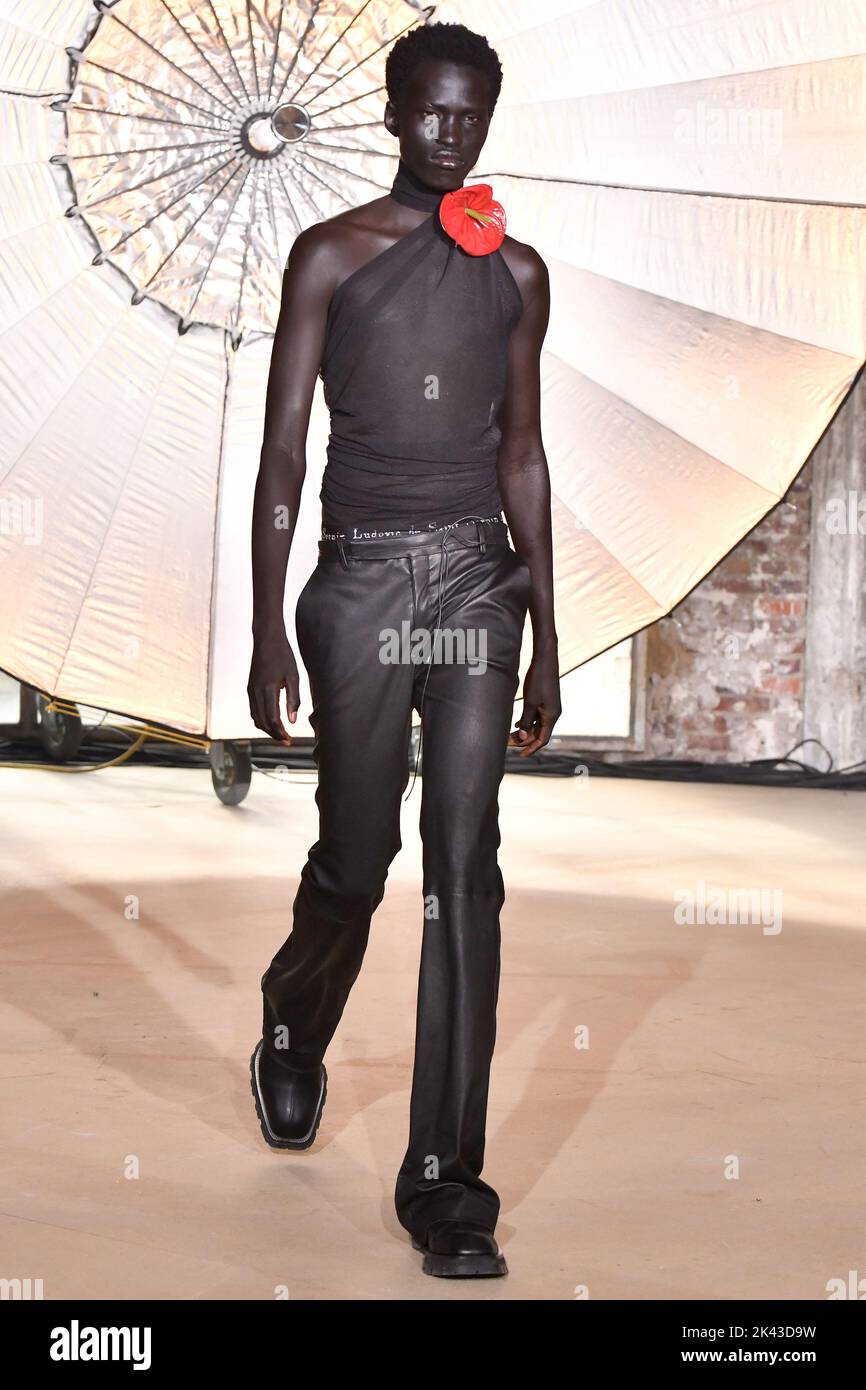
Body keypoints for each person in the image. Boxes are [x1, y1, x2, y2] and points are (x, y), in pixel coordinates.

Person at [247, 20, 560, 1279]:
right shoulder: (328, 256)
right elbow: (280, 455)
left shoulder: (519, 272)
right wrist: (271, 621)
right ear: (390, 113)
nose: (450, 134)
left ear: (486, 116)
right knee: (359, 853)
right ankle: (293, 1015)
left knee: (461, 863)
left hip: (476, 580)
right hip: (363, 579)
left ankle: (446, 1186)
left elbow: (521, 452)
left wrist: (544, 631)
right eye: (429, 112)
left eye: (469, 115)